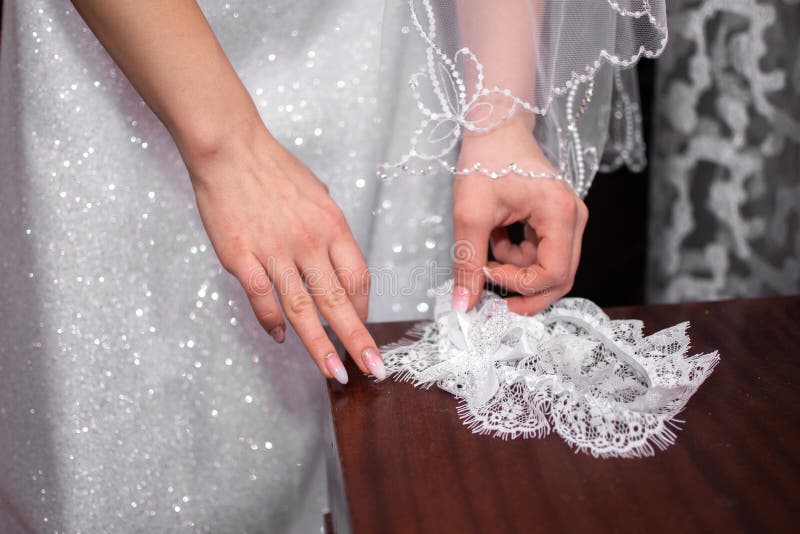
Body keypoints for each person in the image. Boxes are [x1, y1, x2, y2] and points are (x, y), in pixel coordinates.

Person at [0, 0, 662, 531]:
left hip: (381, 69)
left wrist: (499, 125)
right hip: (134, 66)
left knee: (378, 465)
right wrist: (226, 147)